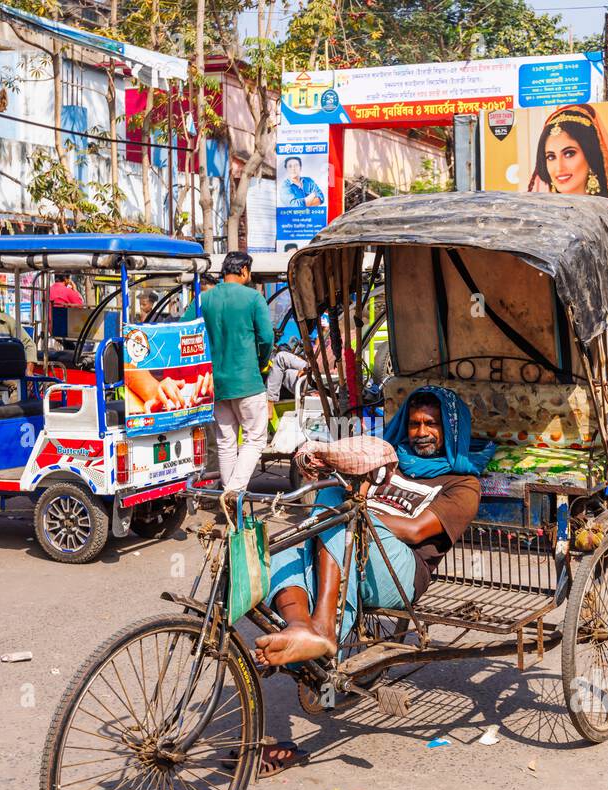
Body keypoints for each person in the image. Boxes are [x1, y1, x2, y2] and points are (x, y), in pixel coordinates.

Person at [254, 387, 491, 667]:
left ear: (450, 430)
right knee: (280, 558)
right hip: (354, 545)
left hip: (401, 571)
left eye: (431, 424)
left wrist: (360, 514)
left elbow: (416, 530)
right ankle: (301, 629)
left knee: (344, 512)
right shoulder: (389, 459)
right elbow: (358, 492)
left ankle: (325, 627)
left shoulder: (463, 484)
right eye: (415, 424)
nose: (421, 431)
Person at [186, 251, 273, 491]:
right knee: (256, 439)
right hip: (247, 381)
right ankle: (233, 494)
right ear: (244, 270)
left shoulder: (204, 300)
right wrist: (261, 362)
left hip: (216, 384)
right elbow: (266, 338)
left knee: (226, 443)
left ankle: (232, 505)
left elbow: (183, 329)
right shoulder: (253, 298)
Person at [527, 104, 608, 215]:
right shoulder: (540, 218)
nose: (559, 167)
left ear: (590, 156)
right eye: (551, 157)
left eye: (569, 154)